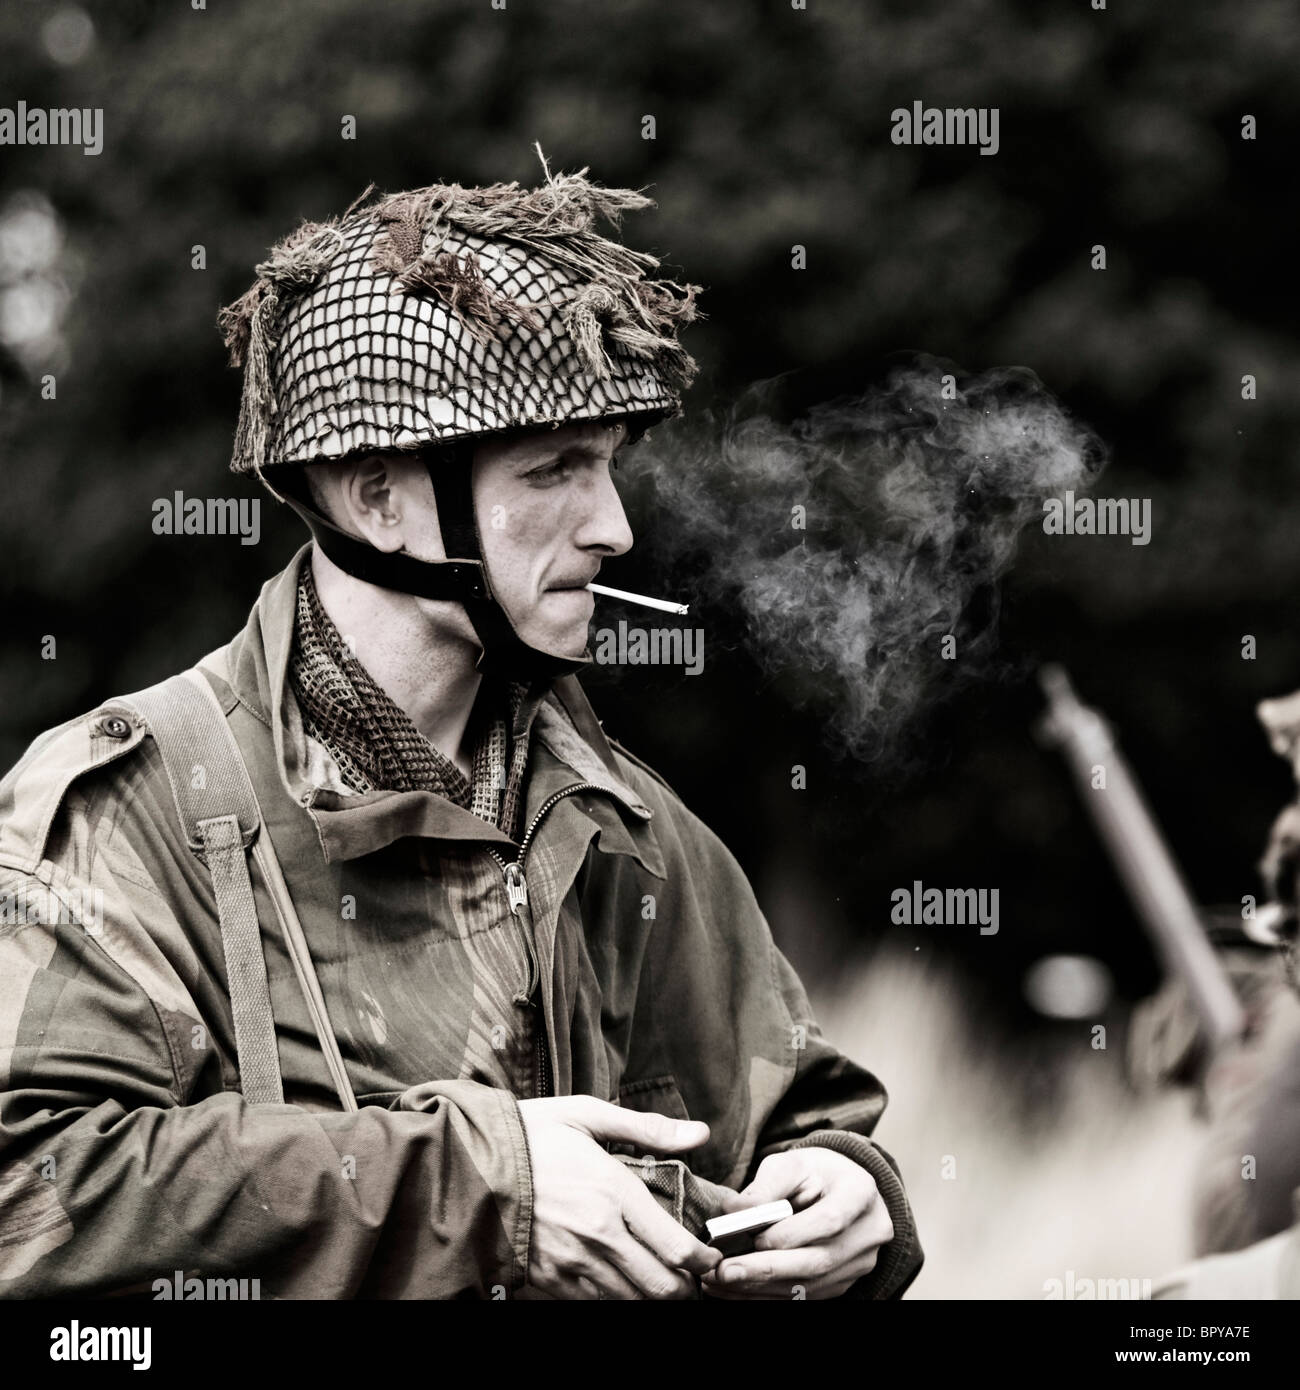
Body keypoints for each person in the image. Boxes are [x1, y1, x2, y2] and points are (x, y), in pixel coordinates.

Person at [0, 152, 921, 1300]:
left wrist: (846, 1192)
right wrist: (481, 1182)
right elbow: (30, 1193)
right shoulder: (130, 807)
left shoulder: (614, 818)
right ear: (377, 493)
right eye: (554, 470)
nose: (613, 526)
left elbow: (793, 1112)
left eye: (609, 466)